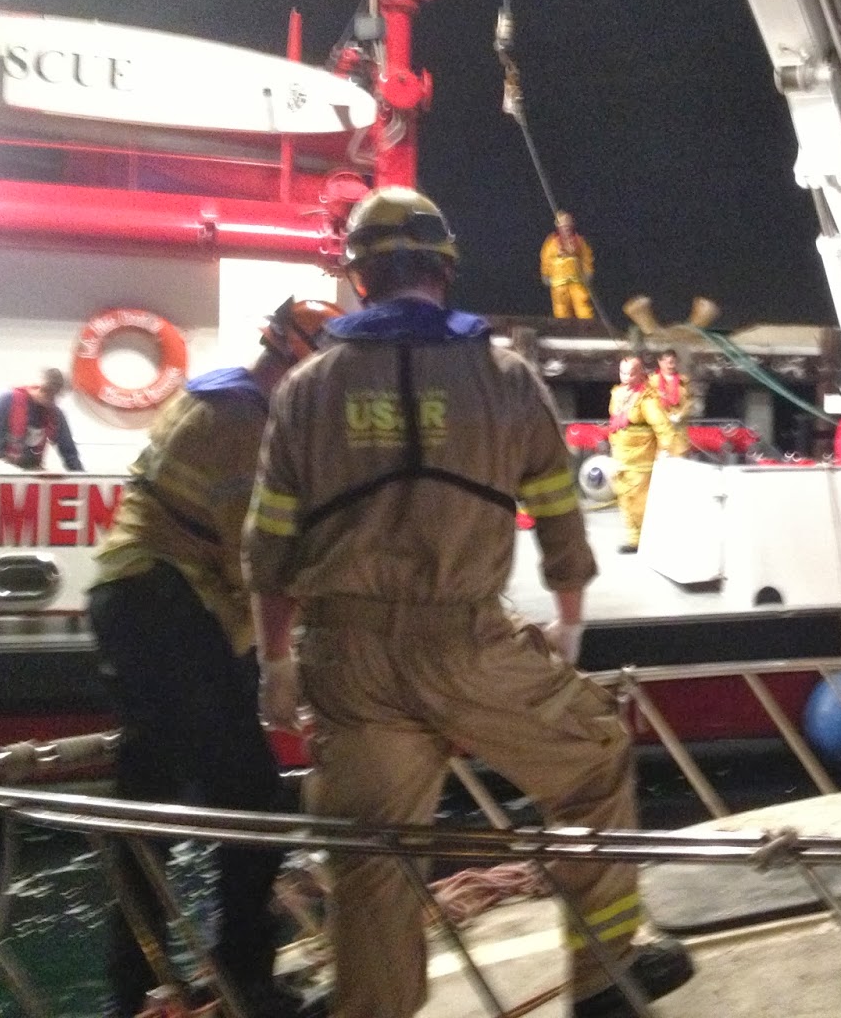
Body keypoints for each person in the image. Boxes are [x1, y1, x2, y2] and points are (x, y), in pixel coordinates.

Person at [242, 186, 692, 1018]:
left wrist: (275, 660)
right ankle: (602, 979)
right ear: (444, 270)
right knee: (593, 761)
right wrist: (567, 622)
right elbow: (560, 514)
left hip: (344, 657)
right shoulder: (505, 378)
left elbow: (268, 549)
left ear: (360, 278)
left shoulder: (305, 391)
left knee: (373, 859)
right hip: (469, 644)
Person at [87, 296, 342, 1018]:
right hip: (166, 606)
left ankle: (129, 991)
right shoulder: (244, 425)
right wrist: (290, 664)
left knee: (147, 801)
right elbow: (257, 562)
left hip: (140, 599)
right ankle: (246, 982)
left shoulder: (222, 399)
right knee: (255, 802)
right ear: (301, 362)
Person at [607, 354, 679, 552]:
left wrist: (666, 449)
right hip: (620, 455)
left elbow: (662, 426)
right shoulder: (617, 393)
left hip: (641, 458)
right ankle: (633, 538)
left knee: (640, 500)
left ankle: (646, 538)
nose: (626, 377)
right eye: (622, 372)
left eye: (631, 373)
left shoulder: (647, 399)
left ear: (640, 374)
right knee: (624, 497)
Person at [0, 367, 83, 470]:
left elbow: (68, 449)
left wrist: (80, 475)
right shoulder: (7, 401)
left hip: (32, 469)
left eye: (54, 394)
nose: (50, 398)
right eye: (47, 391)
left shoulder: (55, 415)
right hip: (2, 465)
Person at [541, 209, 596, 320]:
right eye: (563, 224)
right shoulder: (551, 242)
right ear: (558, 226)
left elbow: (586, 258)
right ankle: (564, 330)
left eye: (568, 223)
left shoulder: (579, 241)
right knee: (561, 310)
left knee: (583, 307)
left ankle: (588, 328)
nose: (566, 227)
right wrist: (546, 275)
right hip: (558, 283)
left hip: (577, 281)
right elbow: (546, 260)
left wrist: (588, 273)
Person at [650, 349, 692, 457]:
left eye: (673, 362)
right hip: (659, 432)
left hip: (678, 432)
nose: (670, 365)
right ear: (660, 362)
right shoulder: (652, 382)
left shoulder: (684, 381)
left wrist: (680, 416)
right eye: (667, 362)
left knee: (679, 461)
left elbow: (689, 403)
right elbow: (649, 405)